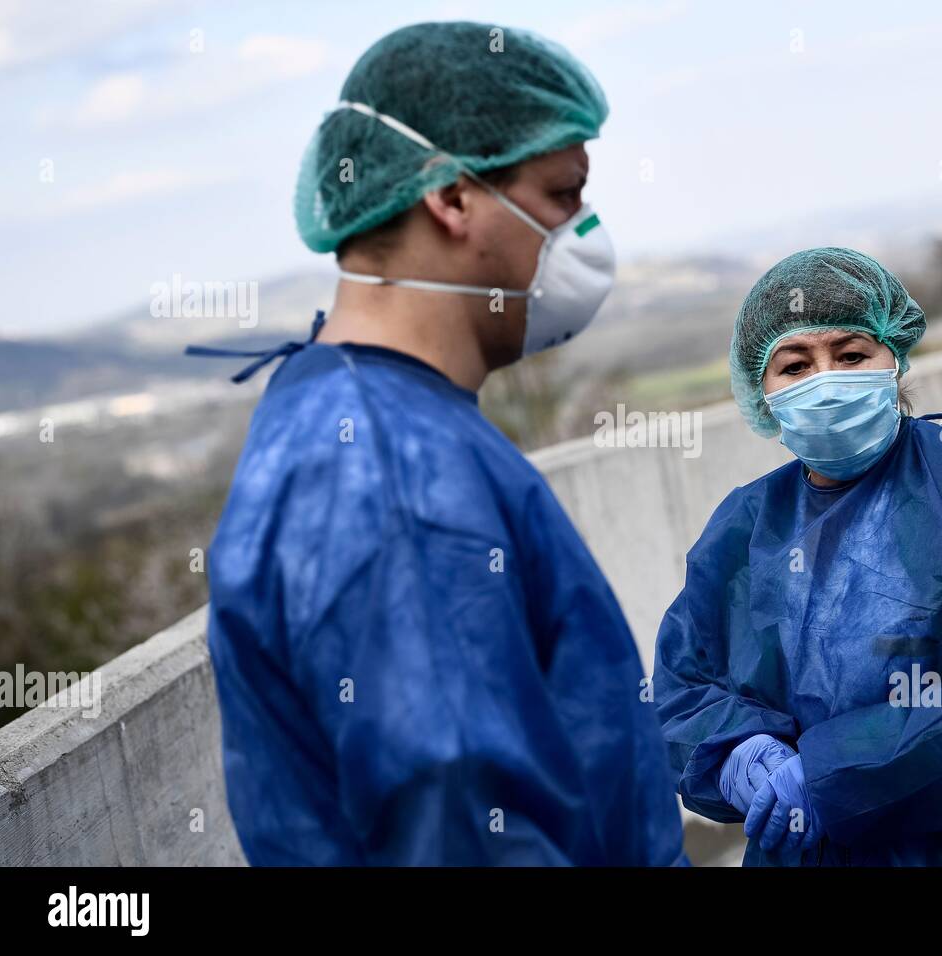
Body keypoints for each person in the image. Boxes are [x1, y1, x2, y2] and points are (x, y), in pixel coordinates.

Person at [195, 22, 684, 866]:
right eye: (563, 196)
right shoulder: (389, 477)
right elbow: (464, 832)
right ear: (452, 198)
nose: (587, 231)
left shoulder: (367, 418)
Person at [652, 247, 942, 866]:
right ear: (760, 392)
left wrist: (835, 772)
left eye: (851, 356)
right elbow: (684, 689)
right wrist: (738, 752)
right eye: (794, 366)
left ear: (894, 360)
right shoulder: (742, 531)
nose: (825, 381)